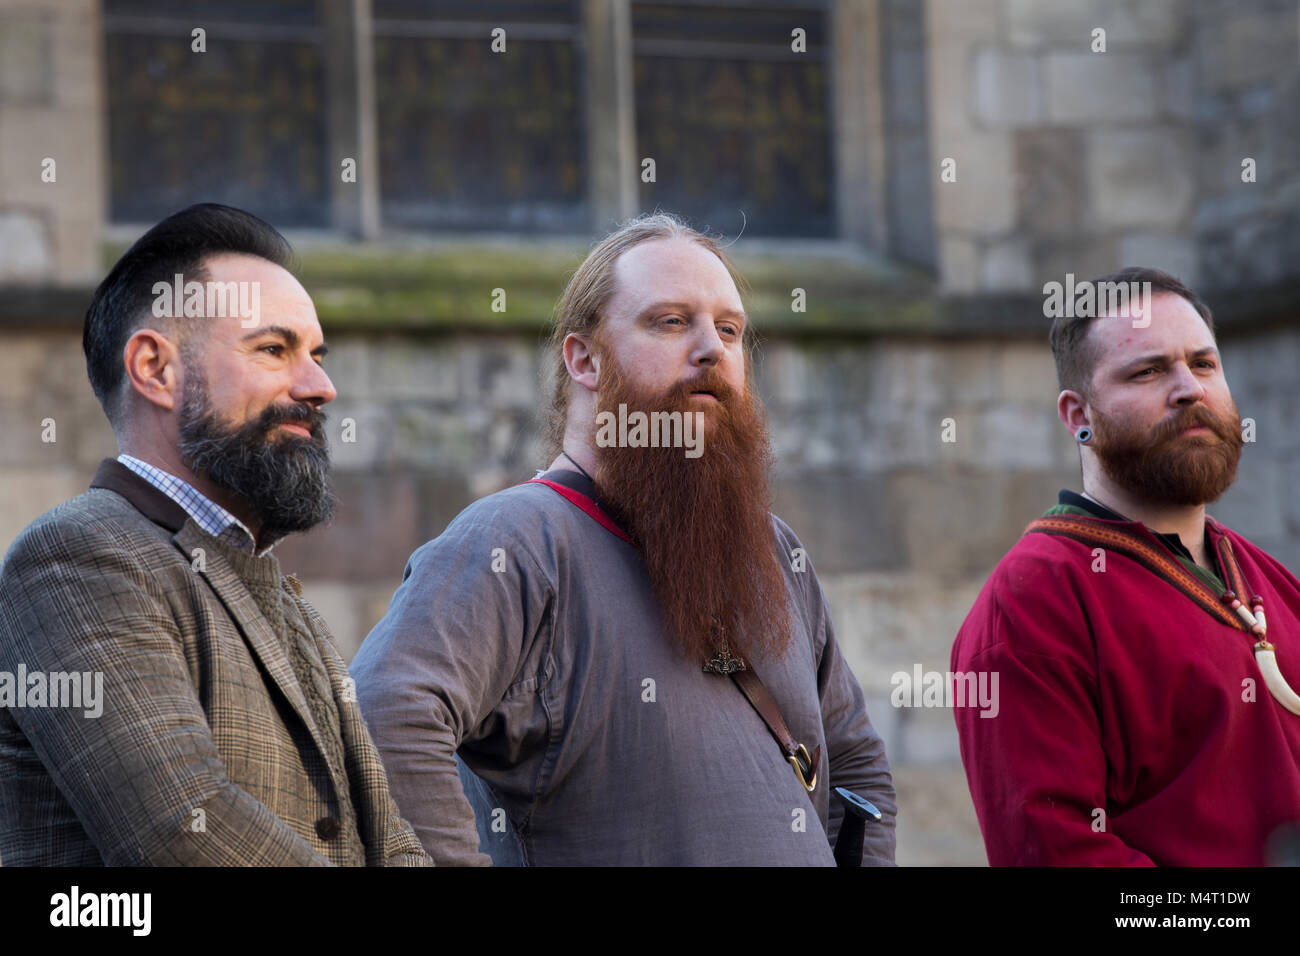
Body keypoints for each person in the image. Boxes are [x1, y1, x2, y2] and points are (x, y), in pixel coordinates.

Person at [351, 213, 897, 866]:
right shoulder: (514, 541)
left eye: (730, 330)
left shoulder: (776, 553)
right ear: (584, 359)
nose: (711, 350)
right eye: (670, 322)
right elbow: (385, 709)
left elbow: (856, 766)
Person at [0, 203, 430, 866]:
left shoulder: (285, 602)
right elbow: (185, 833)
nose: (322, 386)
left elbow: (391, 840)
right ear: (156, 369)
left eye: (316, 355)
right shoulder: (76, 558)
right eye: (274, 349)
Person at [952, 267, 1300, 865]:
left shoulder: (1271, 580)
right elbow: (1055, 852)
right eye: (1148, 370)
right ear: (1076, 415)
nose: (1189, 388)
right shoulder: (1032, 602)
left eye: (1204, 364)